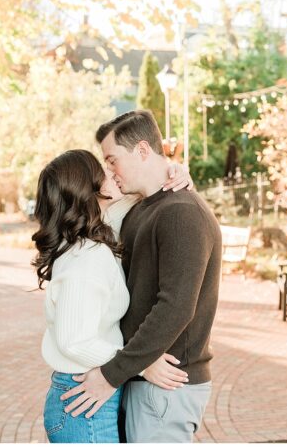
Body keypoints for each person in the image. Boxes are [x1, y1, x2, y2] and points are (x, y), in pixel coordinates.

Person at [61, 110, 223, 443]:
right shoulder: (141, 209)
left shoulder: (181, 213)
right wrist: (136, 364)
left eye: (112, 160)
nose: (109, 171)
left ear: (143, 150)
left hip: (168, 385)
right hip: (144, 376)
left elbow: (176, 306)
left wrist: (112, 374)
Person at [33, 149, 191, 443]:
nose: (112, 171)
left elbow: (141, 192)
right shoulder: (85, 258)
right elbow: (74, 341)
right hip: (82, 403)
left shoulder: (95, 232)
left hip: (88, 397)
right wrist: (141, 363)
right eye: (103, 169)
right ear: (90, 188)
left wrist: (173, 172)